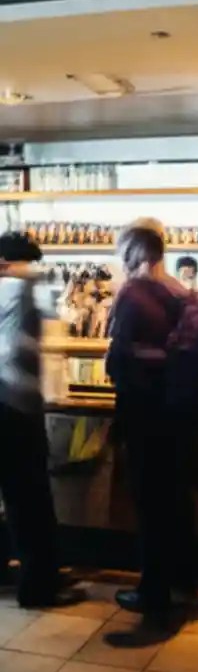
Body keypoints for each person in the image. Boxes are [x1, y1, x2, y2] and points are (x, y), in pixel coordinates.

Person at [106, 225, 198, 625]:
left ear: (135, 253)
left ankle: (153, 590)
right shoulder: (182, 293)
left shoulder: (133, 293)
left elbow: (120, 360)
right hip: (179, 413)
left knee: (150, 503)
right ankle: (183, 581)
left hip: (145, 413)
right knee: (177, 498)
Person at [0, 232, 86, 608]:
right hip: (15, 409)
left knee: (12, 497)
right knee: (30, 498)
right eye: (28, 263)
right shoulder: (17, 291)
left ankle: (14, 572)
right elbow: (15, 353)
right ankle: (39, 587)